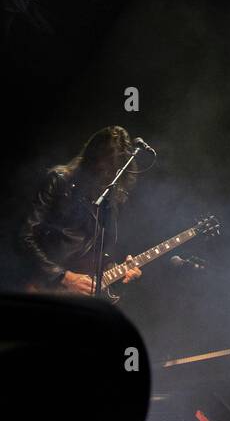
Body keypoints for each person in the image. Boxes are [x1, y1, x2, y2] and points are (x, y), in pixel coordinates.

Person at [18, 125, 142, 295]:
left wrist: (118, 269)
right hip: (43, 287)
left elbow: (97, 252)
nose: (108, 175)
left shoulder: (113, 199)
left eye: (114, 170)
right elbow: (24, 236)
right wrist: (63, 277)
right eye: (104, 167)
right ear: (92, 160)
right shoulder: (59, 180)